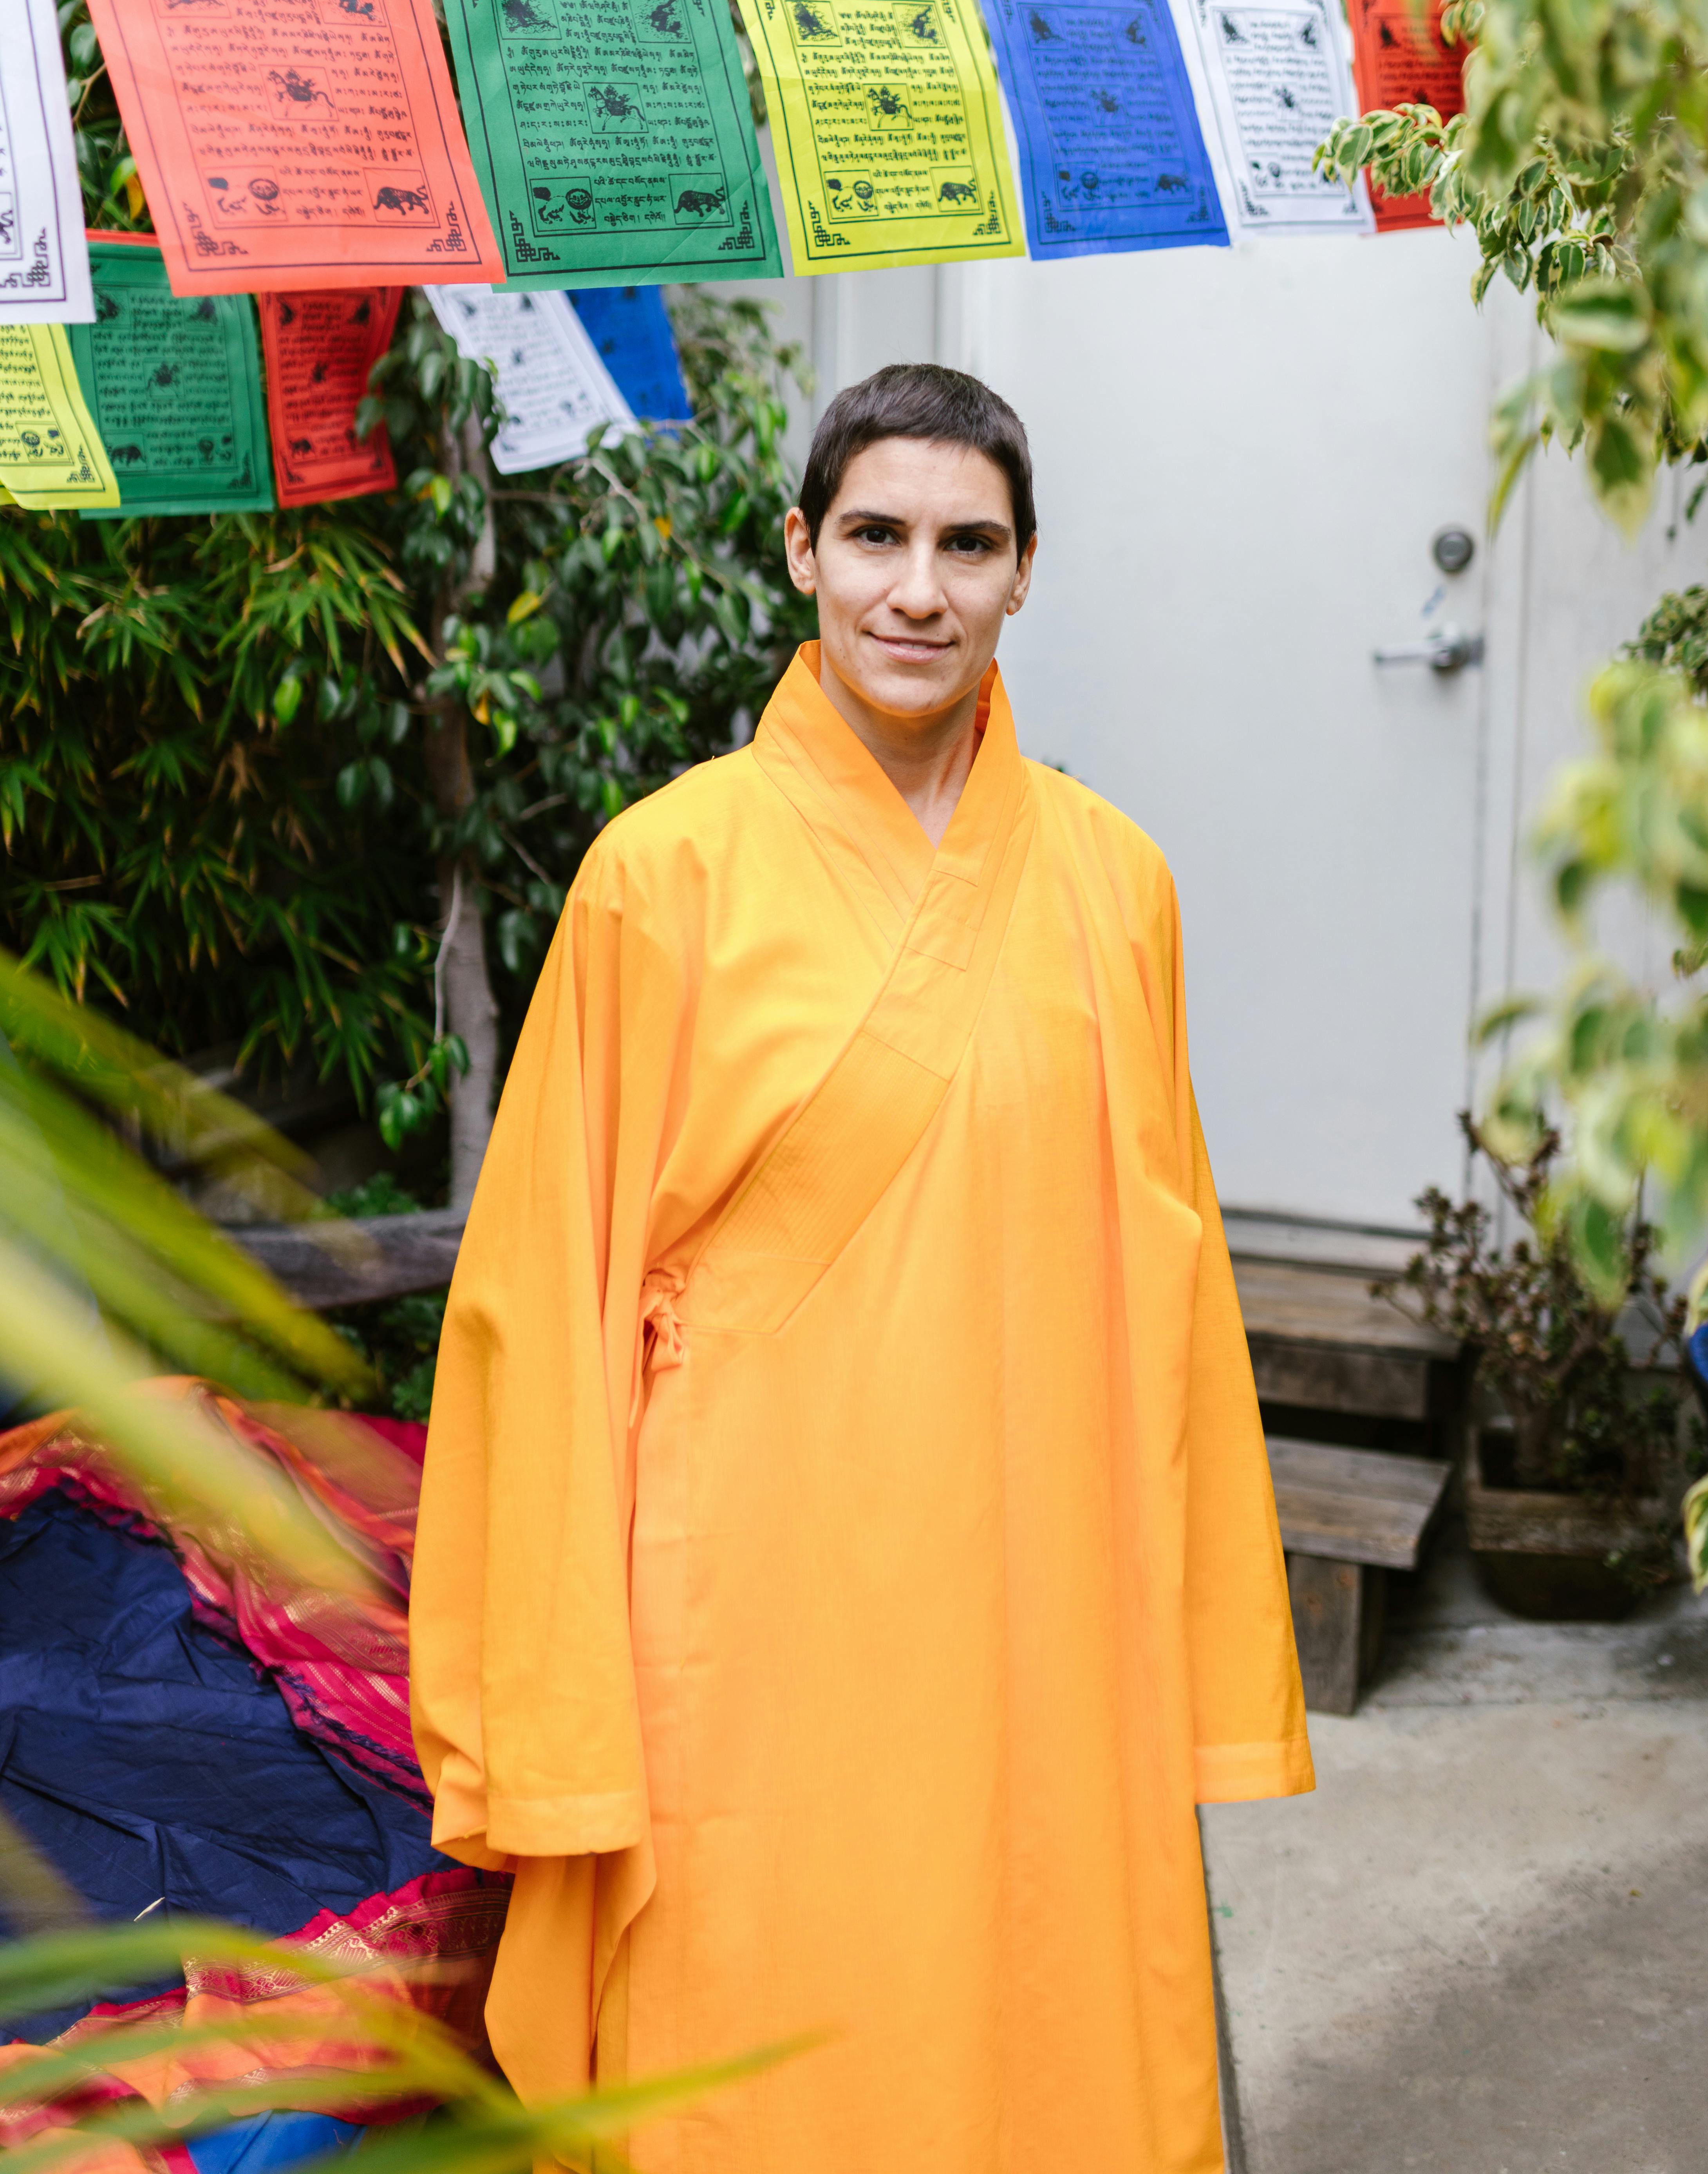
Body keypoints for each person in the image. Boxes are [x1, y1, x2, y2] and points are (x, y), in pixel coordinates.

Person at [409, 363, 1312, 2174]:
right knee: (760, 2041)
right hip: (746, 1609)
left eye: (966, 545)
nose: (921, 590)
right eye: (879, 537)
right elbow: (539, 1313)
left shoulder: (1115, 884)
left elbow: (1177, 1299)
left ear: (1025, 573)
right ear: (803, 552)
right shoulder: (658, 880)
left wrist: (1201, 1649)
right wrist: (552, 1720)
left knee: (1039, 2005)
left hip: (1033, 1598)